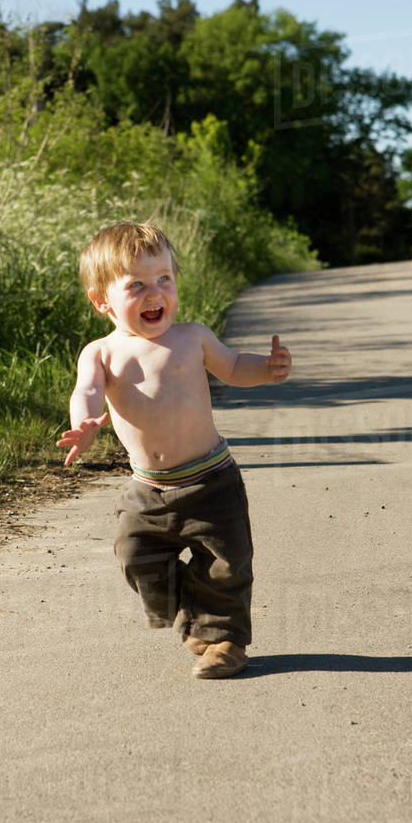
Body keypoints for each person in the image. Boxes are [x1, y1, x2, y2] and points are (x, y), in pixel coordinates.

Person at [57, 221, 292, 679]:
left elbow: (234, 366)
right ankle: (195, 614)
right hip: (149, 492)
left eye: (164, 278)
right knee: (135, 556)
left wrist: (266, 368)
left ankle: (224, 640)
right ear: (101, 300)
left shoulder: (192, 337)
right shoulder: (101, 353)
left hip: (212, 482)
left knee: (225, 565)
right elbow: (85, 391)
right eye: (137, 285)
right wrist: (82, 424)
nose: (155, 293)